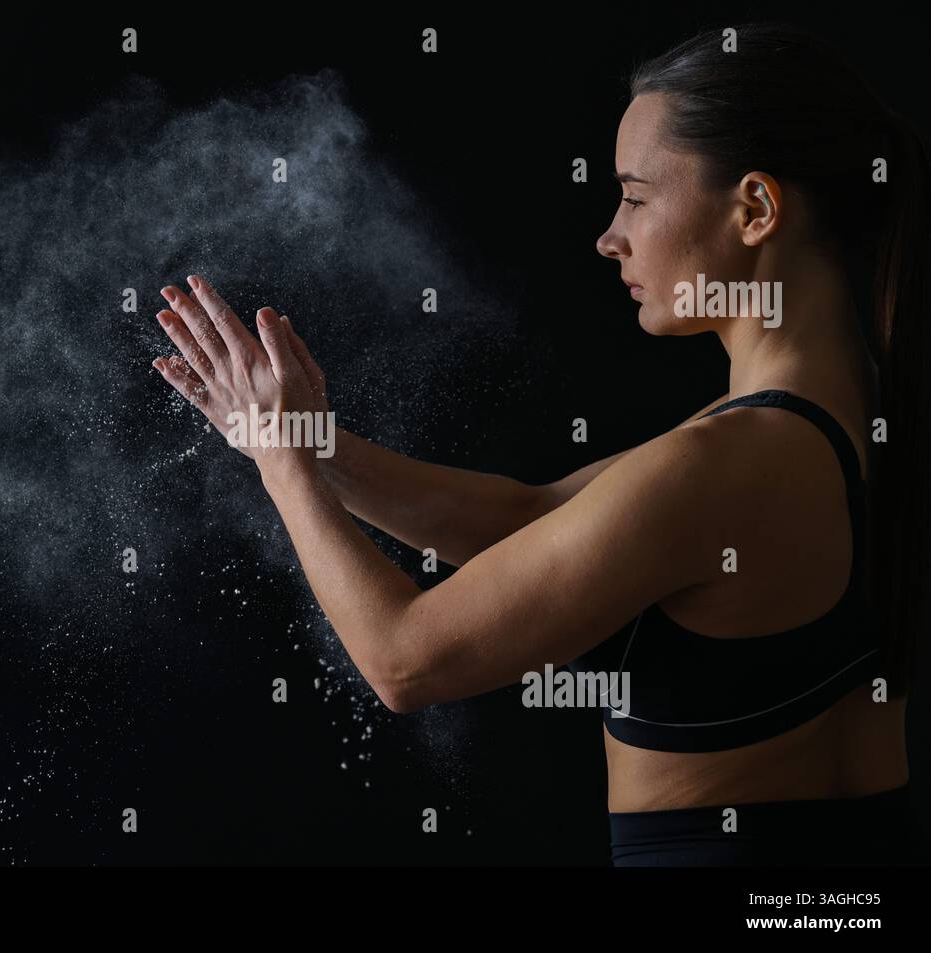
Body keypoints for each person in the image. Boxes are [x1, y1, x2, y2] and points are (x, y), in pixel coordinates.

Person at [150, 22, 930, 866]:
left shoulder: (732, 463)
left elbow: (405, 660)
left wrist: (281, 463)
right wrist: (305, 435)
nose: (609, 236)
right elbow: (527, 516)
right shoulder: (844, 420)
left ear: (754, 209)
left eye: (635, 195)